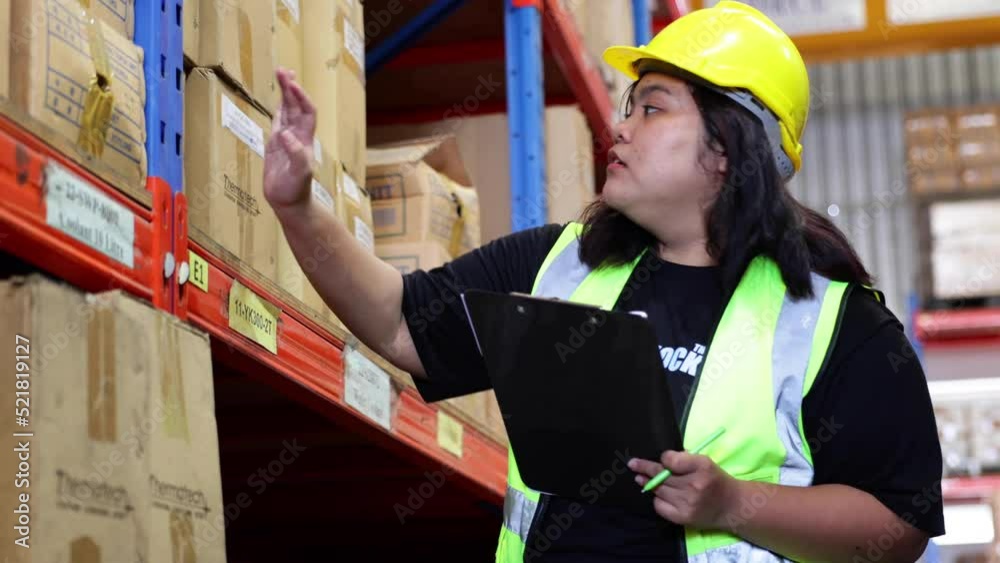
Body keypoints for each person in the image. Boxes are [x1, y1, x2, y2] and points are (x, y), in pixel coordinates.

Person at [263, 1, 945, 561]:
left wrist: (734, 503)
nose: (619, 129)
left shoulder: (837, 326)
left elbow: (898, 527)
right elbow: (397, 321)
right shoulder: (558, 264)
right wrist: (298, 208)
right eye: (626, 109)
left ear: (729, 147)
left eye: (651, 109)